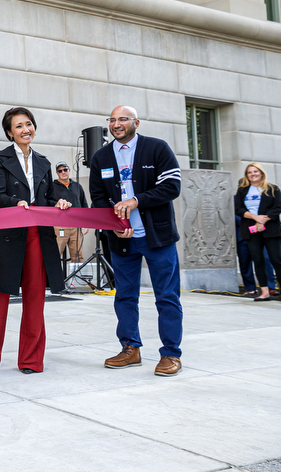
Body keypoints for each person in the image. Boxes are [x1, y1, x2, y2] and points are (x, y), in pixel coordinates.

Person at [0, 108, 70, 373]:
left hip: (37, 232)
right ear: (9, 132)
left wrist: (59, 202)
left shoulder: (43, 162)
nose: (25, 130)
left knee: (35, 295)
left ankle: (31, 360)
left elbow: (48, 198)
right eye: (19, 126)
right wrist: (17, 203)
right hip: (7, 232)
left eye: (29, 124)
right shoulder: (0, 159)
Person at [89, 105, 183, 377]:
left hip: (158, 238)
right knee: (125, 296)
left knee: (167, 297)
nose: (116, 124)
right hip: (122, 240)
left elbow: (172, 186)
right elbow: (98, 197)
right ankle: (130, 348)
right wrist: (115, 226)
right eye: (112, 120)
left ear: (136, 123)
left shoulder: (157, 148)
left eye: (123, 119)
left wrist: (136, 201)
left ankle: (170, 353)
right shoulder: (101, 157)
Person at [234, 162, 281, 302]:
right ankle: (264, 292)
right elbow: (239, 209)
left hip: (270, 229)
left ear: (261, 173)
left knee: (276, 259)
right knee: (258, 260)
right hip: (251, 230)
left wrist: (263, 220)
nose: (253, 174)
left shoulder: (273, 189)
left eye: (255, 171)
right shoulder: (243, 190)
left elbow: (278, 207)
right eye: (249, 172)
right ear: (246, 175)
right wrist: (255, 218)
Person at [52, 161, 87, 264]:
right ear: (57, 173)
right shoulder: (52, 187)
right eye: (60, 171)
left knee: (78, 257)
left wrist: (86, 223)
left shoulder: (77, 186)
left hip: (76, 226)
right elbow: (49, 203)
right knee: (55, 255)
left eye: (65, 170)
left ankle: (77, 275)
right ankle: (56, 275)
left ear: (69, 170)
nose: (63, 172)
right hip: (59, 226)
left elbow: (84, 204)